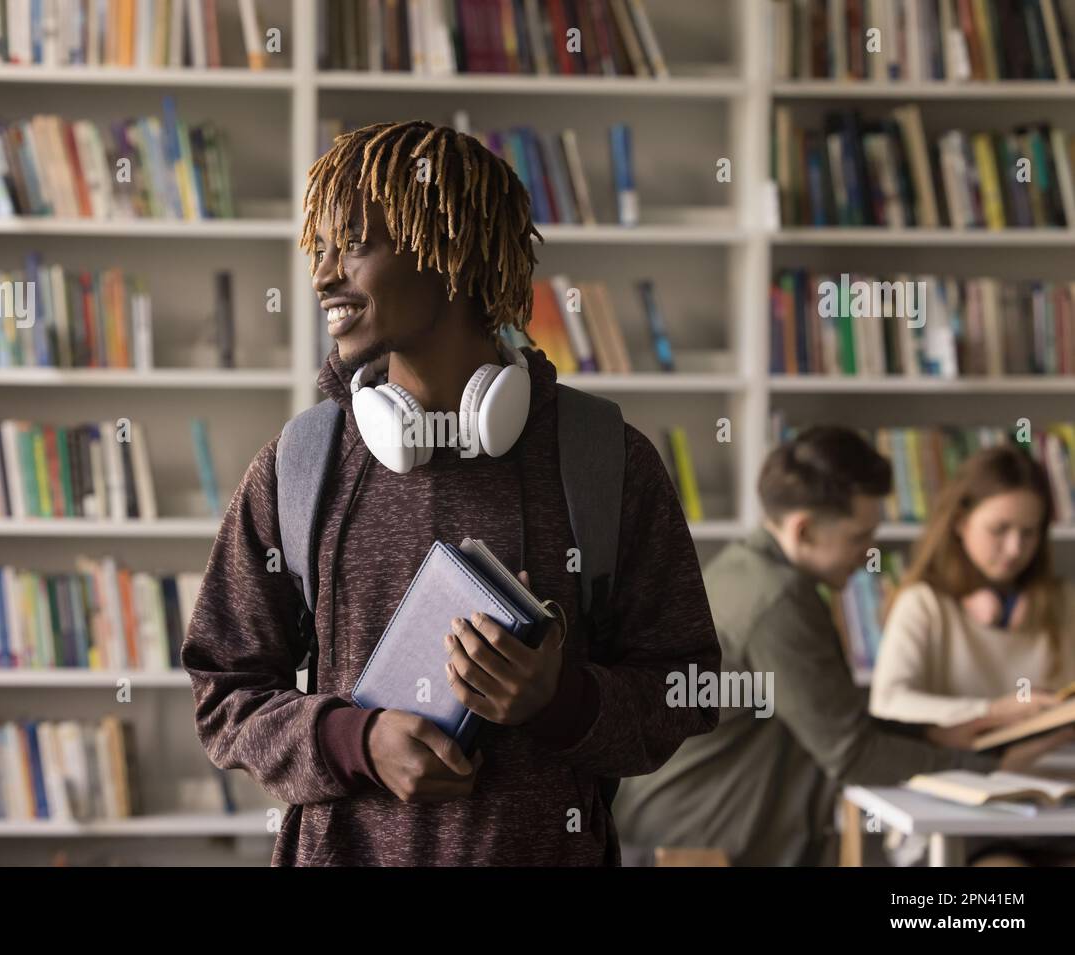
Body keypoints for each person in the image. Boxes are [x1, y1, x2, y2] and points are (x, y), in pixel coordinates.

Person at [180, 120, 721, 866]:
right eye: (321, 250)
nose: (322, 276)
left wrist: (559, 701)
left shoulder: (606, 461)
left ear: (452, 255)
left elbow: (688, 688)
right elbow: (222, 692)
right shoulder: (298, 466)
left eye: (356, 245)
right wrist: (357, 740)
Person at [612, 426, 1072, 866]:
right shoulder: (778, 602)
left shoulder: (745, 570)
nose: (868, 553)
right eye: (860, 538)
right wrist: (989, 762)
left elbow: (833, 715)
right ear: (804, 530)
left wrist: (935, 734)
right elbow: (853, 755)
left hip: (681, 826)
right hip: (697, 845)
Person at [870, 445, 1075, 866]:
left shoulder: (1062, 603)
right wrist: (996, 711)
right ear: (961, 523)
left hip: (1056, 803)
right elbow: (887, 704)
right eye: (999, 529)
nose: (1015, 548)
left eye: (1030, 532)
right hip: (960, 811)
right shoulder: (924, 603)